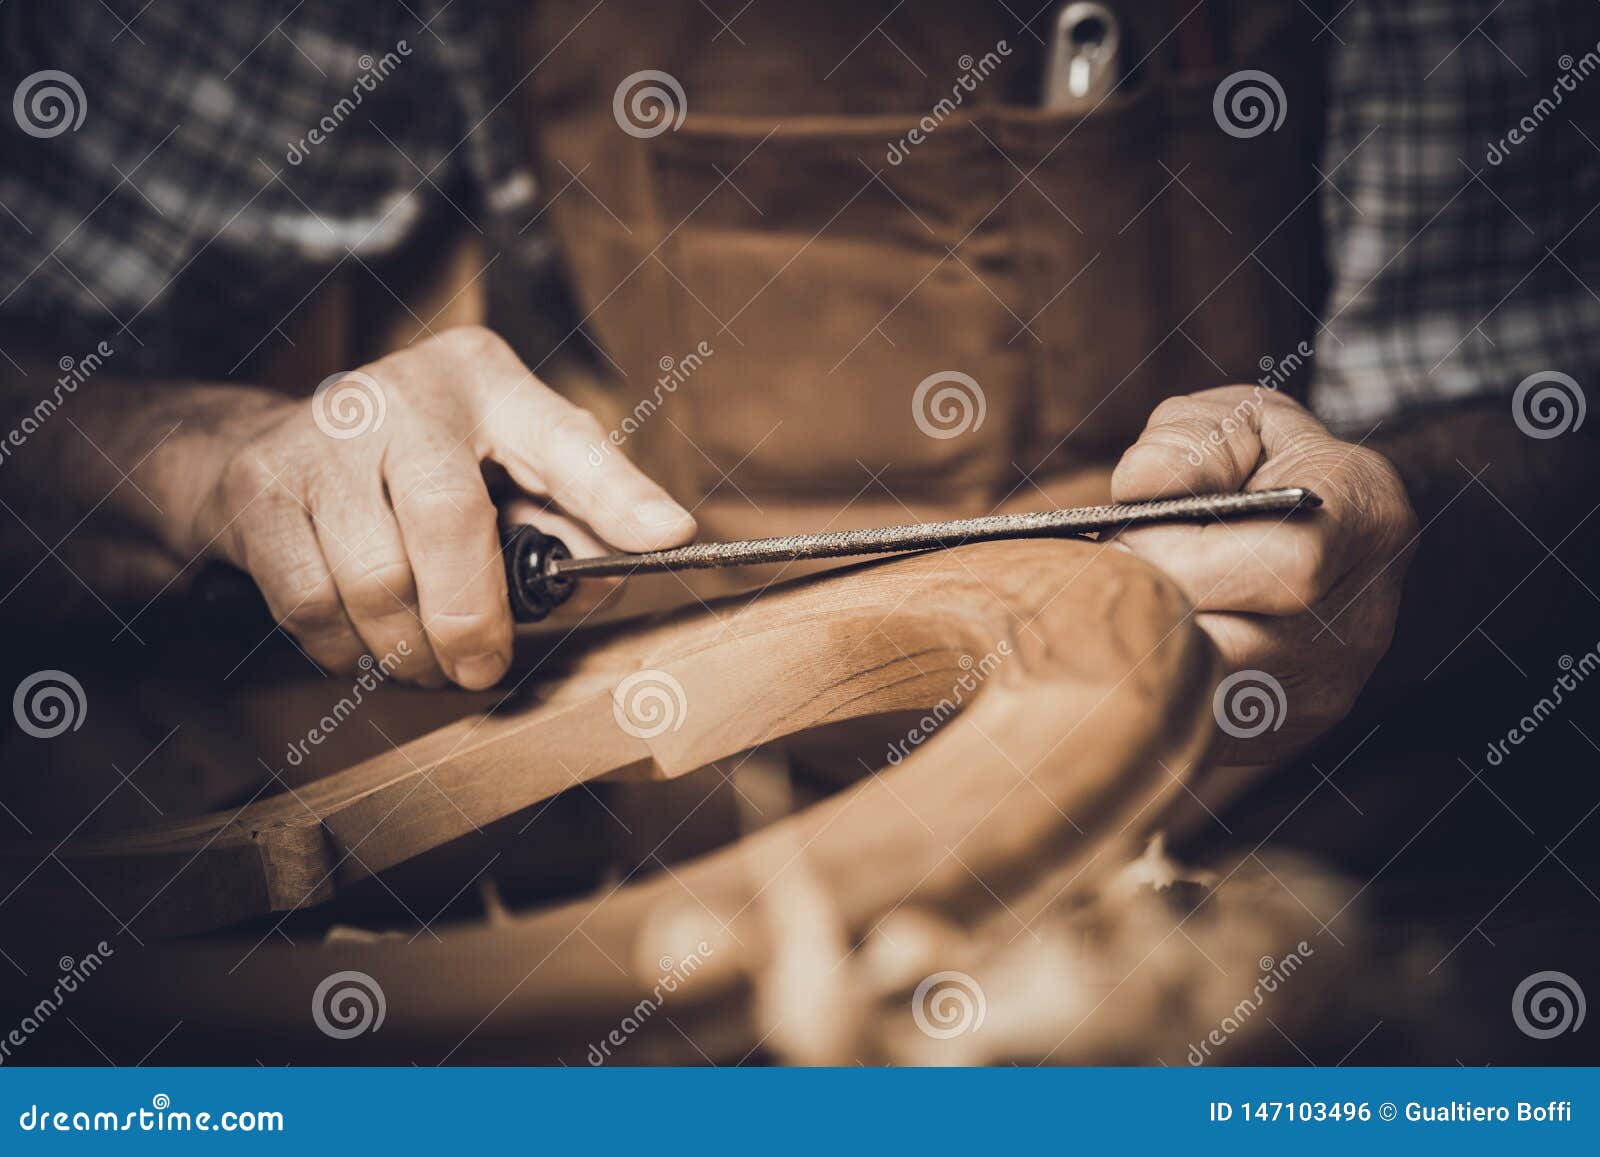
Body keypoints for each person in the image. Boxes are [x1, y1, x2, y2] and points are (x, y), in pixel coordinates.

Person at [0, 0, 1594, 777]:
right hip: (666, 802)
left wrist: (1396, 538)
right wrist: (208, 457)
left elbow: (1537, 396)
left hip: (1288, 827)